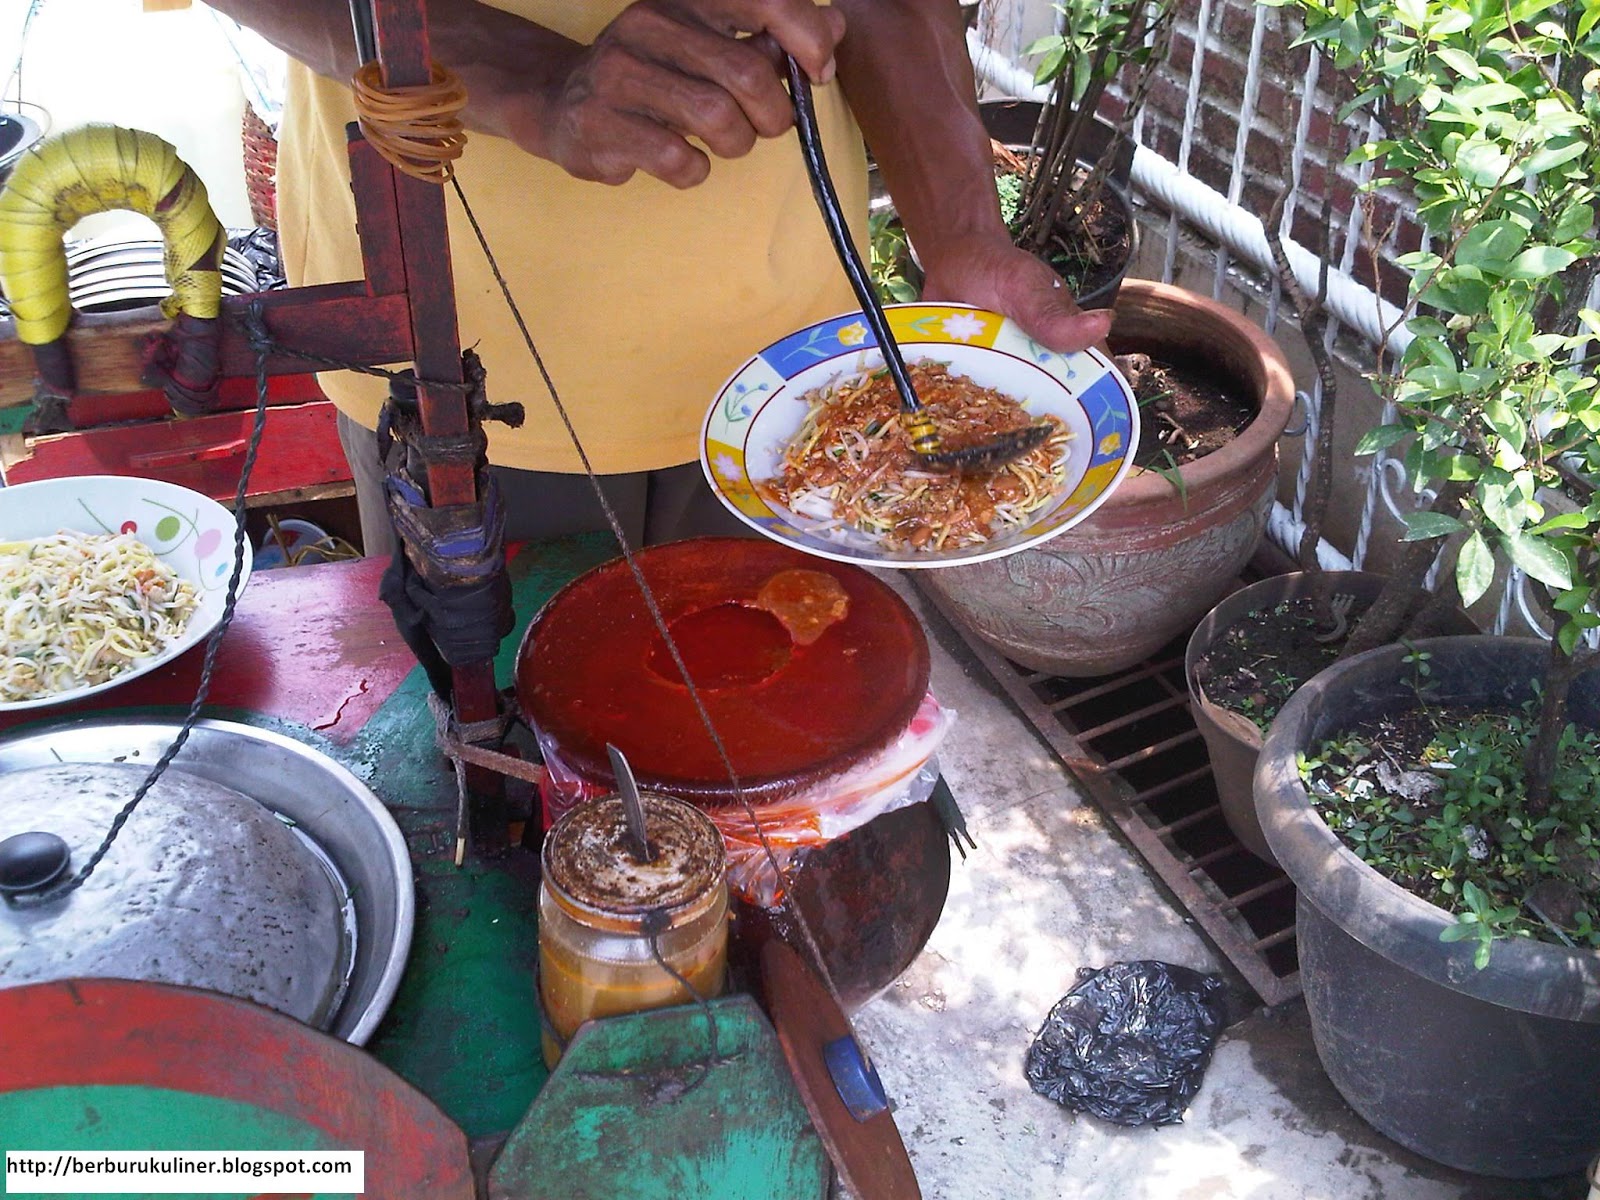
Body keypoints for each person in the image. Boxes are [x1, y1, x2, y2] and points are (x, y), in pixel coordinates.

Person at [210, 0, 1113, 553]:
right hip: (462, 380)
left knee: (780, 775)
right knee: (519, 794)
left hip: (796, 386)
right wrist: (536, 78)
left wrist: (959, 232)